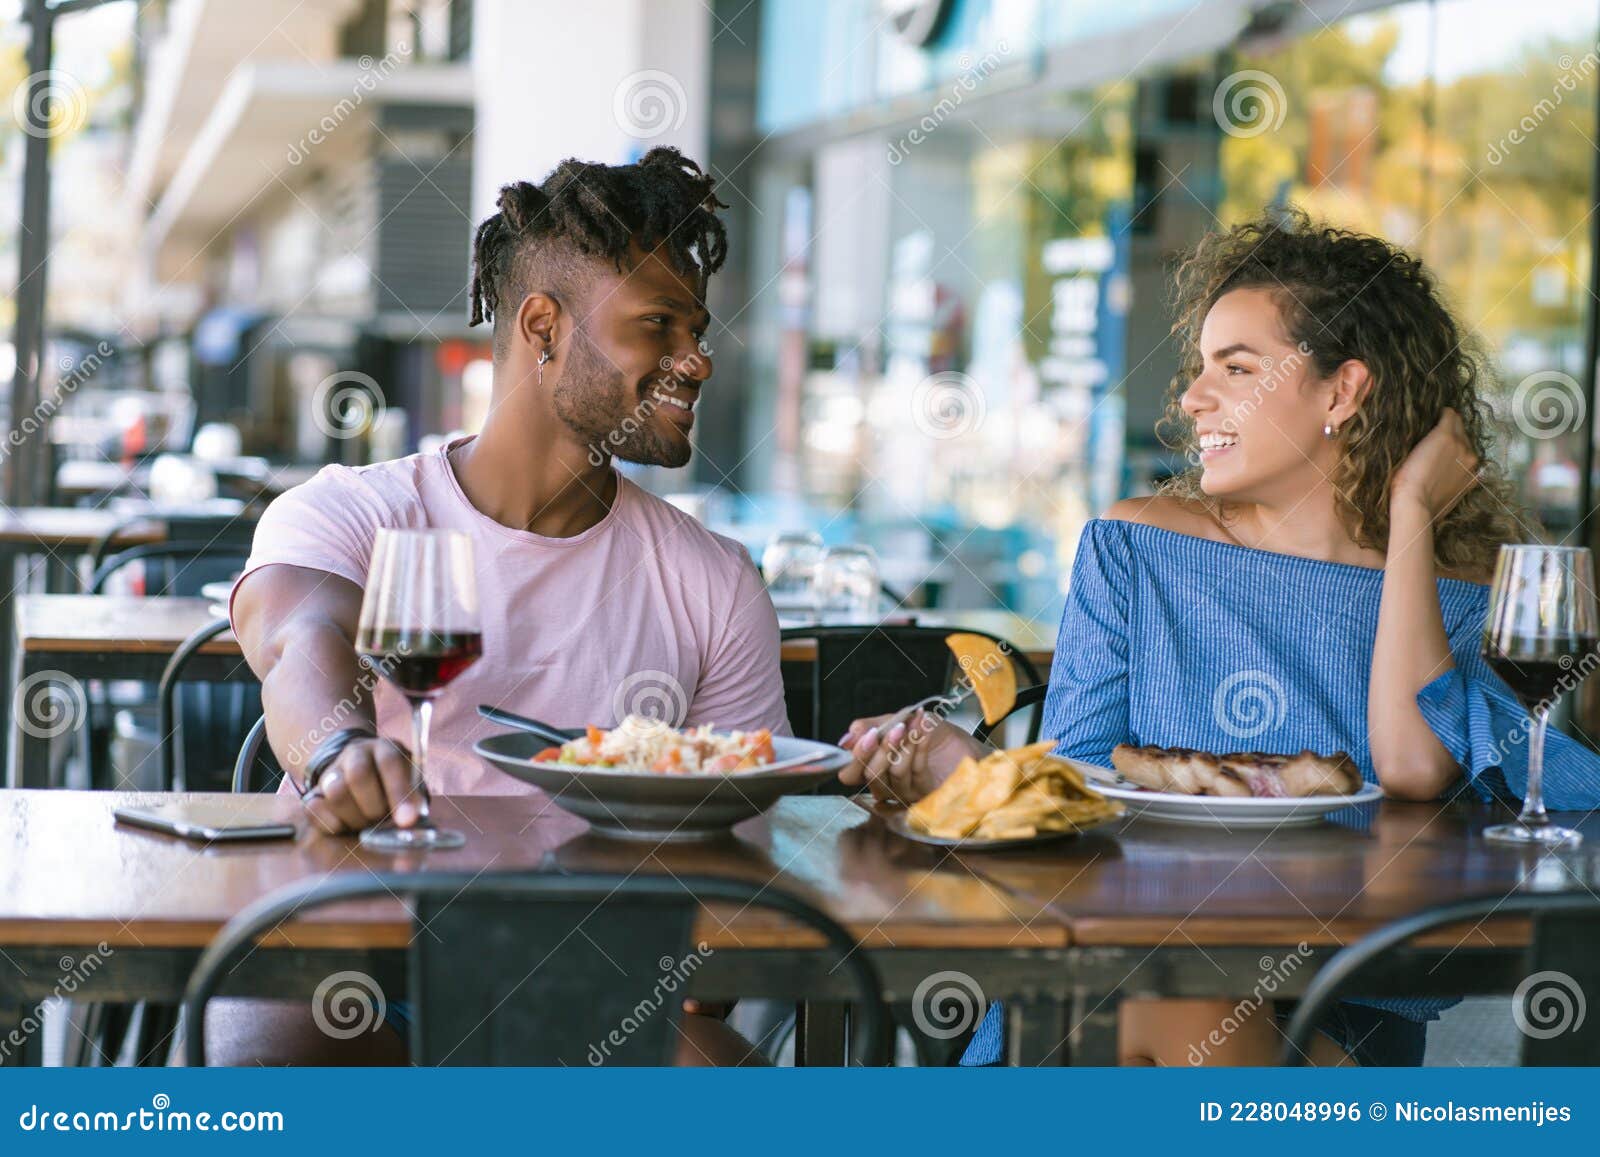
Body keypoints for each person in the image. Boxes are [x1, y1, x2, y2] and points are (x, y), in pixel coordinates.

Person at [839, 209, 1600, 1067]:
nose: (1192, 396)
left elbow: (1417, 768)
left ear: (1343, 392)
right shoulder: (1136, 546)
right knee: (1157, 990)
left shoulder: (1455, 600)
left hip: (1330, 1009)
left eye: (1235, 369)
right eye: (1201, 367)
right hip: (1109, 983)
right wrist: (961, 769)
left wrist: (1412, 513)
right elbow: (1073, 797)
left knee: (1180, 998)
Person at [221, 148, 784, 1066]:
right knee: (260, 1066)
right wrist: (338, 750)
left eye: (699, 328)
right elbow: (298, 636)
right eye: (660, 325)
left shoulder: (716, 580)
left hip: (599, 992)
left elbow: (731, 906)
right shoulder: (355, 509)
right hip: (355, 972)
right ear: (542, 326)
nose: (700, 358)